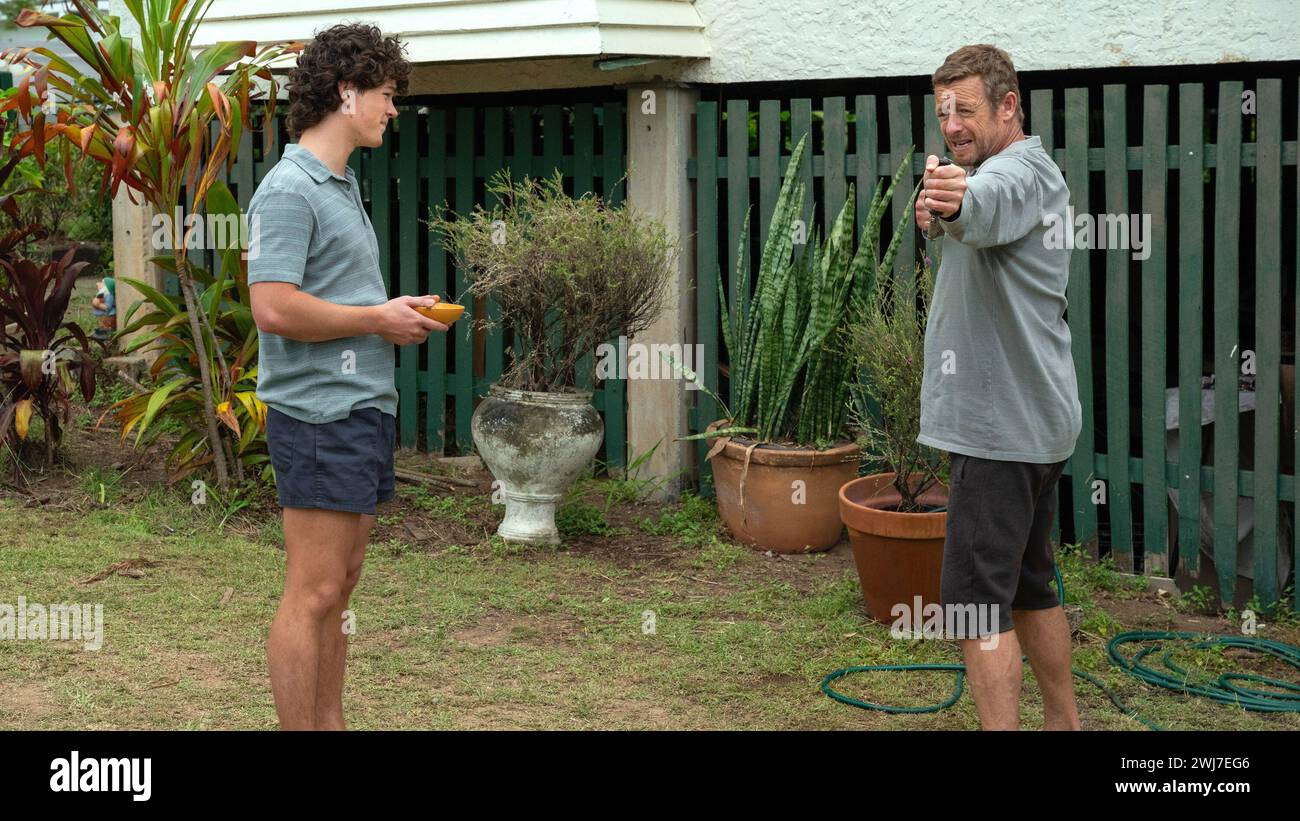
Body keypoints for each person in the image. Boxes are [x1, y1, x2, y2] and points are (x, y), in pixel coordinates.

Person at [247, 23, 448, 730]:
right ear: (346, 91)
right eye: (387, 95)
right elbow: (271, 305)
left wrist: (394, 313)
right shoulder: (287, 190)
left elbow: (332, 294)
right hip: (317, 415)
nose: (393, 110)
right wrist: (375, 319)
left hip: (358, 408)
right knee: (314, 588)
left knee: (343, 583)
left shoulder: (339, 185)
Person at [915, 44, 1083, 730]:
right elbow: (971, 216)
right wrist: (940, 209)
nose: (952, 123)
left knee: (976, 603)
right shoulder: (1015, 170)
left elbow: (982, 206)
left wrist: (953, 202)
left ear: (1009, 105)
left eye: (967, 109)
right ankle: (1066, 725)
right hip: (1033, 429)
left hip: (998, 432)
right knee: (1029, 588)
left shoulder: (1015, 174)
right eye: (943, 110)